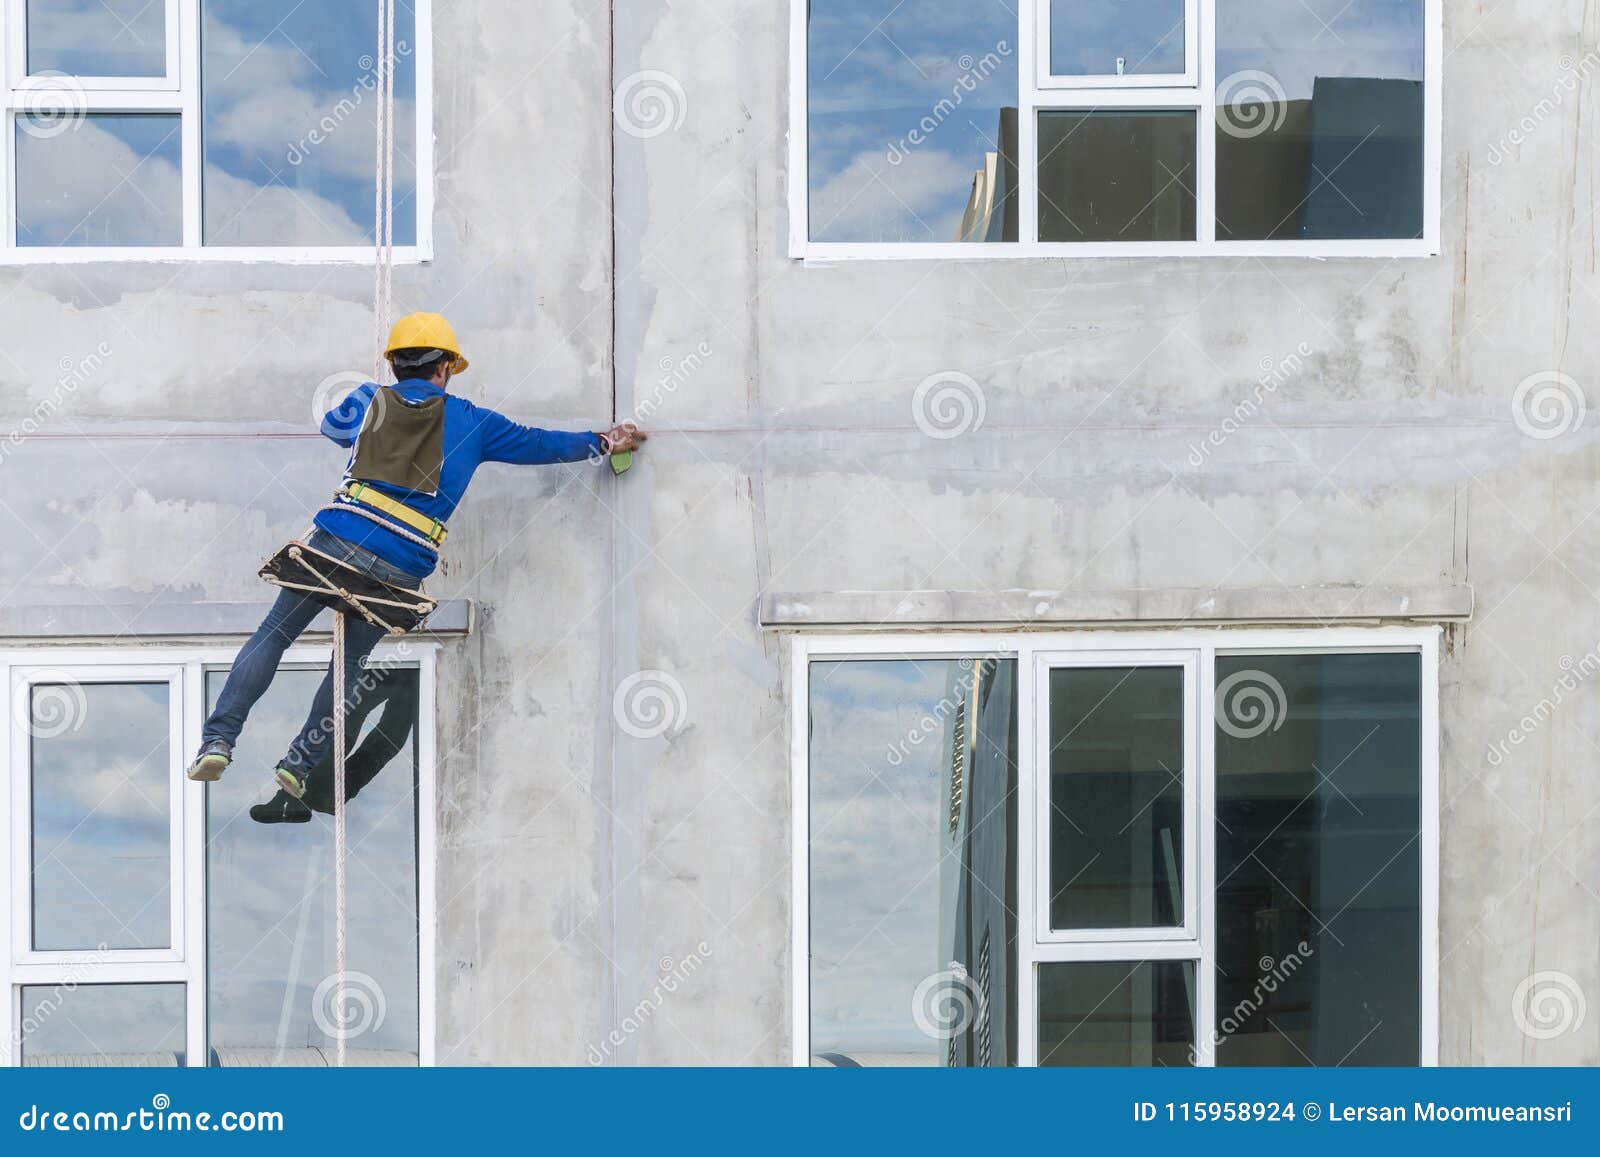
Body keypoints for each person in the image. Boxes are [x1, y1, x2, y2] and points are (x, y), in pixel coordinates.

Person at [187, 312, 646, 799]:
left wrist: (370, 394)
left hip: (338, 542)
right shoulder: (474, 422)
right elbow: (540, 445)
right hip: (401, 564)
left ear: (395, 365)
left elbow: (332, 427)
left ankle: (218, 741)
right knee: (349, 664)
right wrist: (603, 441)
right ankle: (299, 764)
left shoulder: (371, 402)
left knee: (275, 634)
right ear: (445, 367)